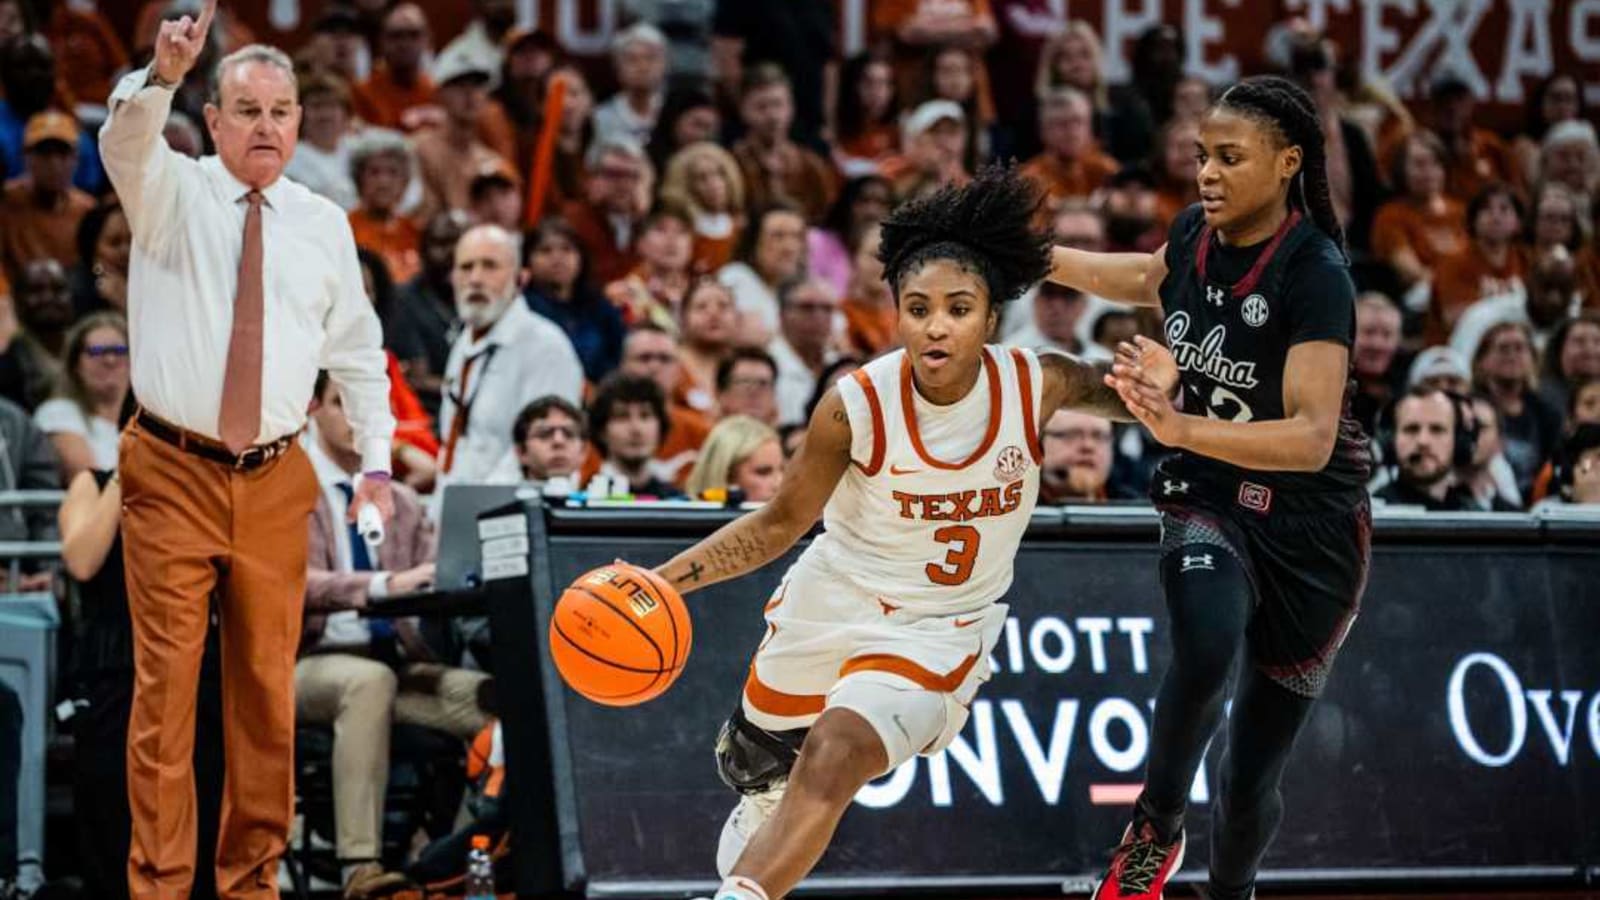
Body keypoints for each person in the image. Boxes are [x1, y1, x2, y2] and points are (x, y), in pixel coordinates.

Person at [640, 166, 1125, 900]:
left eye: (959, 308)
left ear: (991, 317)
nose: (937, 325)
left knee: (835, 750)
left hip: (939, 628)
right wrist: (658, 583)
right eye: (918, 308)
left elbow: (1132, 396)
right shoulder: (855, 404)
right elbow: (779, 522)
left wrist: (1161, 380)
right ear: (895, 315)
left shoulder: (1039, 383)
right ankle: (769, 801)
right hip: (835, 598)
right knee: (751, 757)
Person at [1048, 76, 1374, 900]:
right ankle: (1153, 830)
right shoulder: (1195, 234)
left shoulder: (1317, 272)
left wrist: (1177, 424)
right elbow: (1141, 277)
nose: (1207, 174)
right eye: (1202, 156)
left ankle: (1232, 890)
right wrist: (1036, 258)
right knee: (1205, 645)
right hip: (1212, 495)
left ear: (1288, 162)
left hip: (1314, 531)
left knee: (1247, 785)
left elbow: (1308, 439)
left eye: (1230, 158)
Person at [99, 9, 398, 895]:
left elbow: (358, 350)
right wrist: (160, 75)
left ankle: (252, 885)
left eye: (281, 110)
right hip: (171, 468)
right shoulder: (168, 188)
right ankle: (158, 886)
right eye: (247, 109)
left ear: (300, 122)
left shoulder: (322, 223)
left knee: (267, 695)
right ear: (215, 122)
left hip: (276, 475)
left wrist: (376, 465)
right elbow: (123, 137)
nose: (266, 125)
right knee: (166, 692)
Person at [297, 371, 490, 899]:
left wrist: (457, 576)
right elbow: (292, 584)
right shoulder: (287, 489)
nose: (360, 418)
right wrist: (385, 584)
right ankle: (359, 866)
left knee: (497, 704)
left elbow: (434, 574)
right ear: (313, 407)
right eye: (344, 403)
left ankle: (449, 861)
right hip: (304, 662)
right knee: (368, 682)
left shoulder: (402, 500)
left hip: (396, 662)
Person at [59, 465, 226, 900]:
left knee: (202, 800)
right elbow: (81, 561)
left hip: (193, 662)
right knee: (112, 806)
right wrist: (124, 475)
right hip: (114, 665)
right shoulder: (94, 482)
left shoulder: (200, 482)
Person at [437, 224, 583, 486]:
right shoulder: (464, 343)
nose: (476, 279)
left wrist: (477, 509)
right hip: (457, 506)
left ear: (521, 279)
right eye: (466, 267)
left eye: (490, 266)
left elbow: (545, 450)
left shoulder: (546, 346)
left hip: (513, 514)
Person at [32, 311, 131, 482]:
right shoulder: (57, 413)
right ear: (76, 364)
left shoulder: (148, 419)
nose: (110, 360)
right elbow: (91, 479)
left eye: (119, 350)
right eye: (96, 351)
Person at [1372, 387, 1479, 511]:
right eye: (1411, 429)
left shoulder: (1477, 515)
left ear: (1458, 441)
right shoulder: (1373, 514)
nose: (1423, 441)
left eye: (1437, 429)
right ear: (1390, 440)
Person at [586, 372, 684, 498]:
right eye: (622, 416)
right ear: (601, 431)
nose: (636, 429)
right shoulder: (587, 500)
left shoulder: (676, 501)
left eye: (645, 415)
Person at [684, 414, 783, 501]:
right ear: (726, 476)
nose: (779, 483)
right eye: (763, 472)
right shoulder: (676, 514)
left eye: (782, 470)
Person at [506, 395, 588, 485]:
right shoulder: (497, 497)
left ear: (583, 451)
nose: (559, 441)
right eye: (544, 434)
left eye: (569, 433)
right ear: (521, 452)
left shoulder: (597, 497)